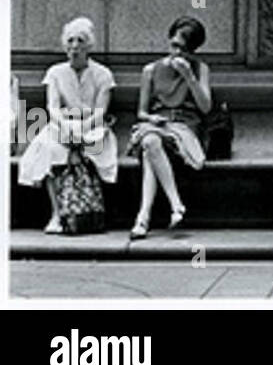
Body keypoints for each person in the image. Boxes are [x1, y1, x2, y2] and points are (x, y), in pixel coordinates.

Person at [17, 17, 118, 234]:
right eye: (70, 41)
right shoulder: (55, 73)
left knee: (88, 149)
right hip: (61, 126)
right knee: (49, 149)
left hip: (94, 129)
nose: (74, 46)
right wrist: (67, 127)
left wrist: (81, 129)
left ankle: (86, 211)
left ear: (89, 45)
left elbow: (101, 112)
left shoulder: (103, 74)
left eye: (80, 40)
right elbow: (52, 108)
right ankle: (57, 214)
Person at [127, 16, 213, 239]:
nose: (177, 53)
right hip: (158, 124)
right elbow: (141, 112)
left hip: (185, 127)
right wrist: (153, 119)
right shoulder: (150, 70)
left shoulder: (199, 68)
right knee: (150, 141)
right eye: (174, 45)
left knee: (149, 148)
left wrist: (190, 78)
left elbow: (205, 108)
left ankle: (143, 219)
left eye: (183, 49)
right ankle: (175, 205)